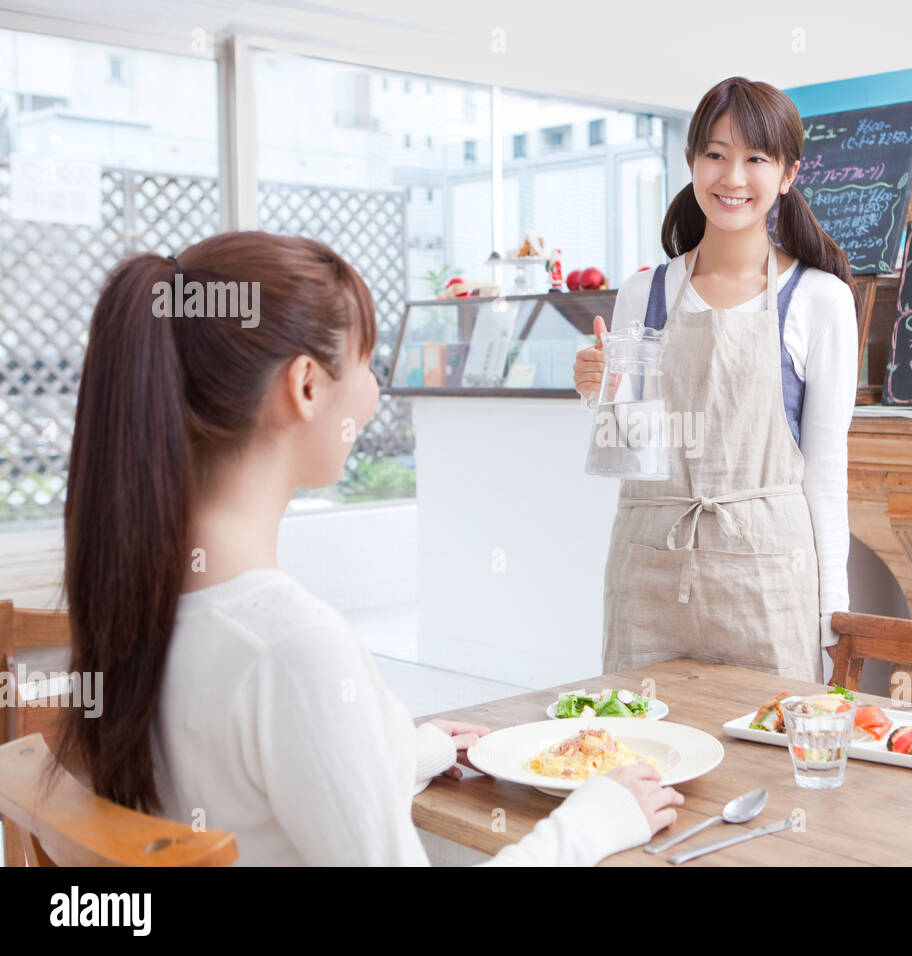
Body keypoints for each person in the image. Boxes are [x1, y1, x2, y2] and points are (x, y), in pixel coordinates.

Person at [54, 231, 682, 865]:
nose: (376, 393)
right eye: (367, 364)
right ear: (305, 386)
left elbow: (252, 784)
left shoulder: (136, 605)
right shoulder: (293, 648)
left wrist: (399, 749)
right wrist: (593, 823)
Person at [574, 77, 860, 683]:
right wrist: (602, 393)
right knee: (643, 755)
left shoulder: (819, 299)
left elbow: (827, 472)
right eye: (716, 154)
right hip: (650, 571)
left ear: (787, 174)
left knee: (768, 759)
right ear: (691, 163)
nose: (733, 177)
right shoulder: (642, 292)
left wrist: (834, 616)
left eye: (756, 157)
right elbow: (629, 454)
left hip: (769, 580)